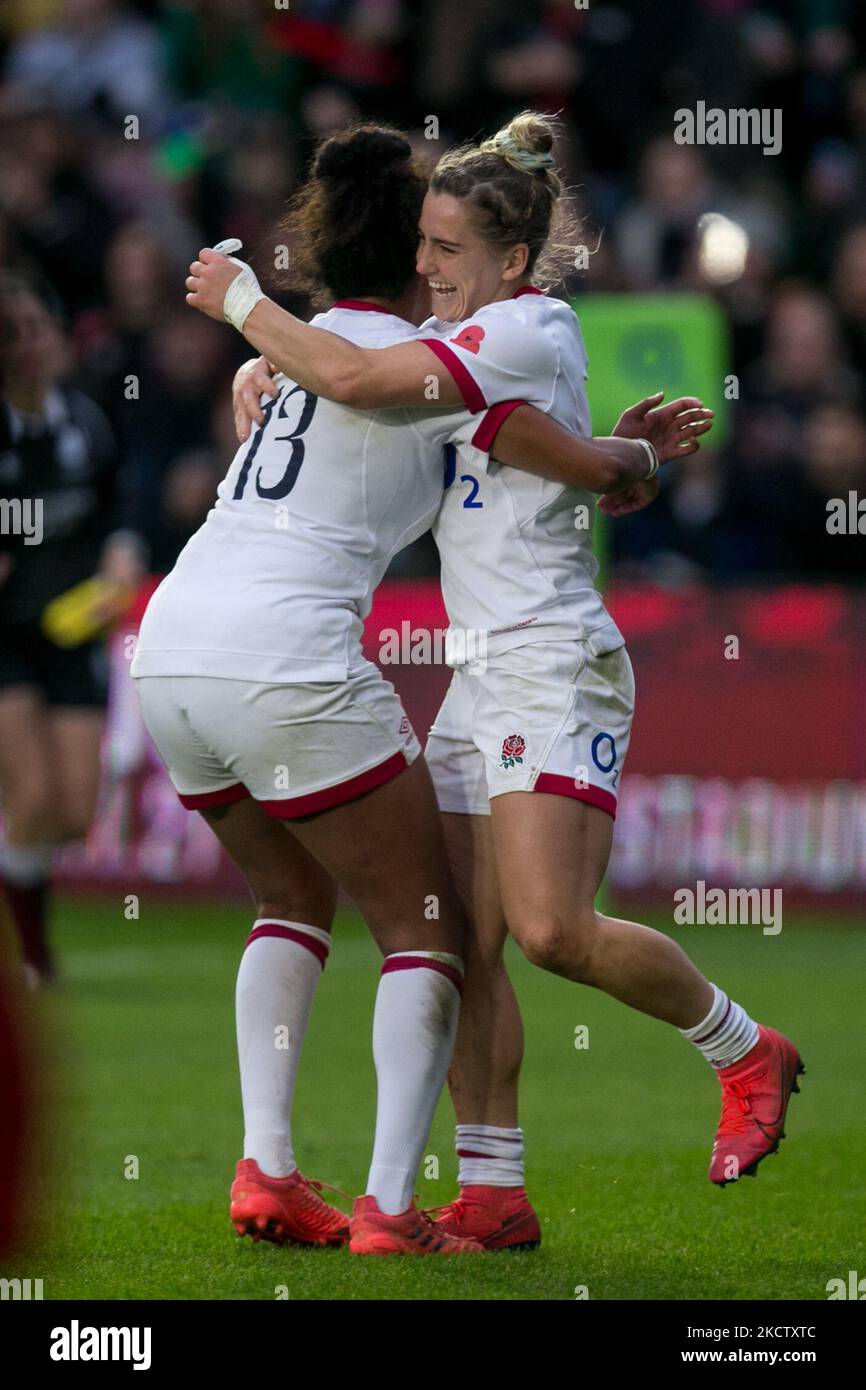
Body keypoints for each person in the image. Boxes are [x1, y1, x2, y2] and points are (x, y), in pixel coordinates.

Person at [189, 109, 803, 1254]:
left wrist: (244, 310)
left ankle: (741, 1048)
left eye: (446, 251)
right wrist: (619, 459)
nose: (422, 267)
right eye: (419, 244)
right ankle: (492, 1190)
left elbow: (367, 379)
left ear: (510, 261)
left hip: (553, 660)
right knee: (455, 940)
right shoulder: (475, 337)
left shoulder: (528, 327)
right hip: (481, 666)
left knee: (550, 931)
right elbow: (539, 453)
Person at [0, 274, 144, 984]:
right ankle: (33, 953)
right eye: (12, 334)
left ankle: (18, 887)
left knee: (72, 810)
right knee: (28, 798)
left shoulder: (85, 421)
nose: (28, 346)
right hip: (5, 640)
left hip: (72, 632)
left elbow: (116, 510)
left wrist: (122, 553)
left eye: (35, 329)